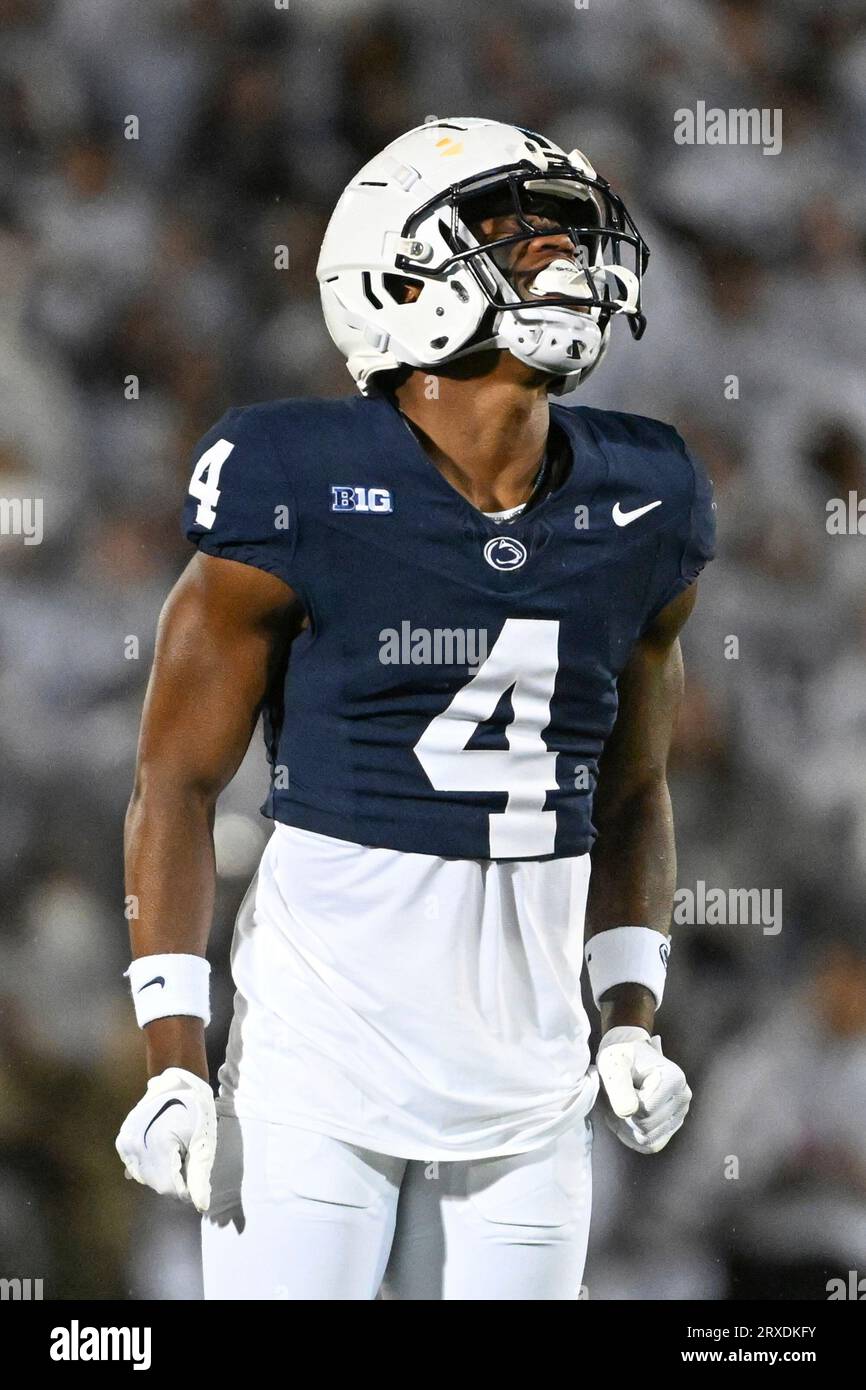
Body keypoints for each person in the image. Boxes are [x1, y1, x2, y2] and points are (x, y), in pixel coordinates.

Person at [115, 117, 715, 1300]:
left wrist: (628, 1017)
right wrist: (174, 1057)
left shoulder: (645, 496)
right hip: (316, 1077)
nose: (562, 260)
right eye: (517, 234)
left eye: (567, 233)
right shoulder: (291, 481)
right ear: (397, 278)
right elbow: (175, 786)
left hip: (533, 1090)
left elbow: (634, 788)